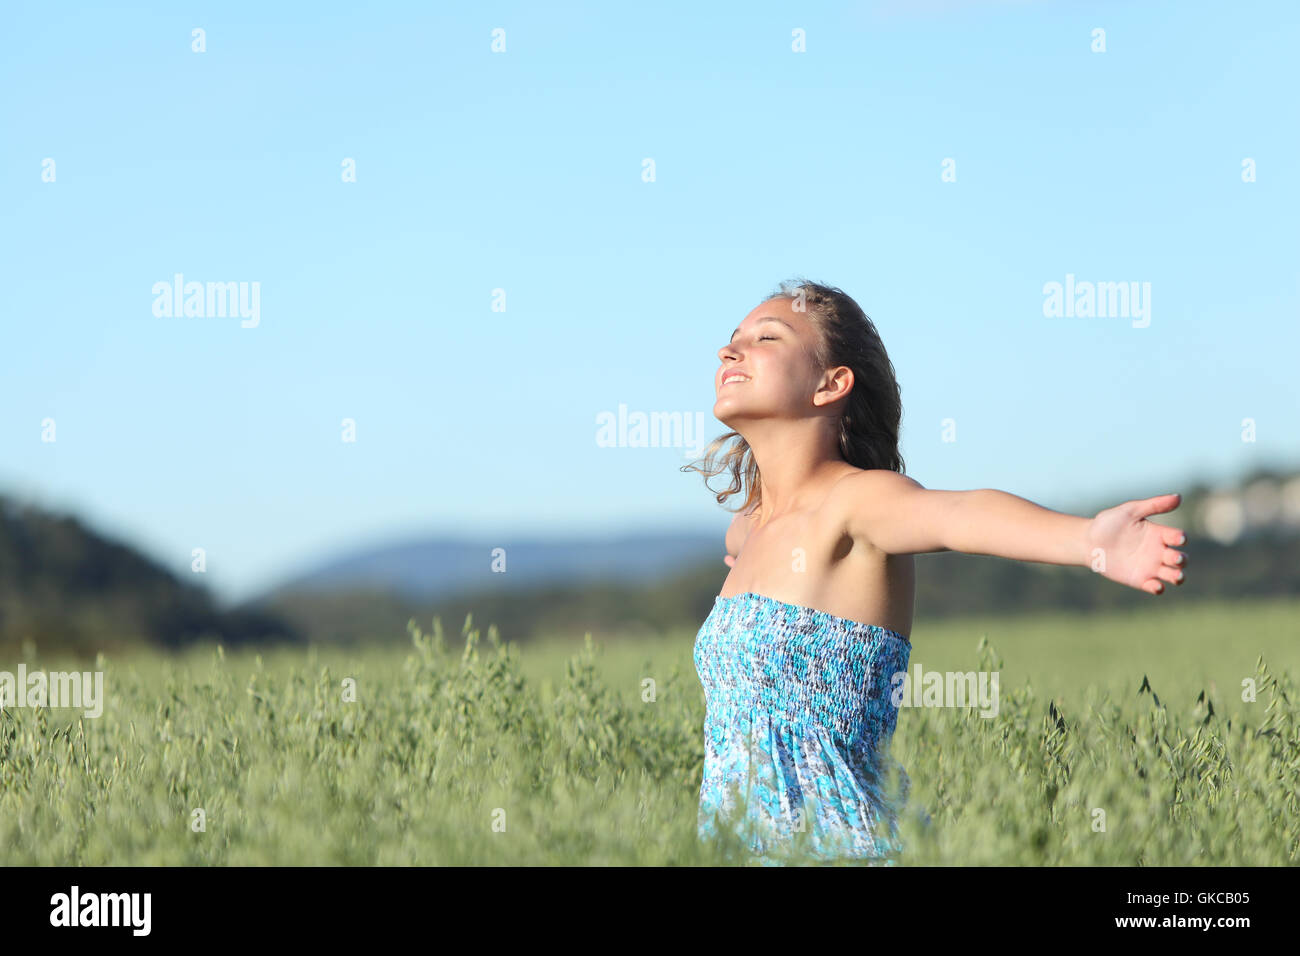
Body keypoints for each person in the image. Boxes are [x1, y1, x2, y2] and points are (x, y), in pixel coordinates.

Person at [684, 278, 1188, 865]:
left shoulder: (857, 503)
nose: (730, 351)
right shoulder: (749, 529)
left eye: (766, 337)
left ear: (832, 383)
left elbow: (958, 515)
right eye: (731, 340)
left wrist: (1087, 541)